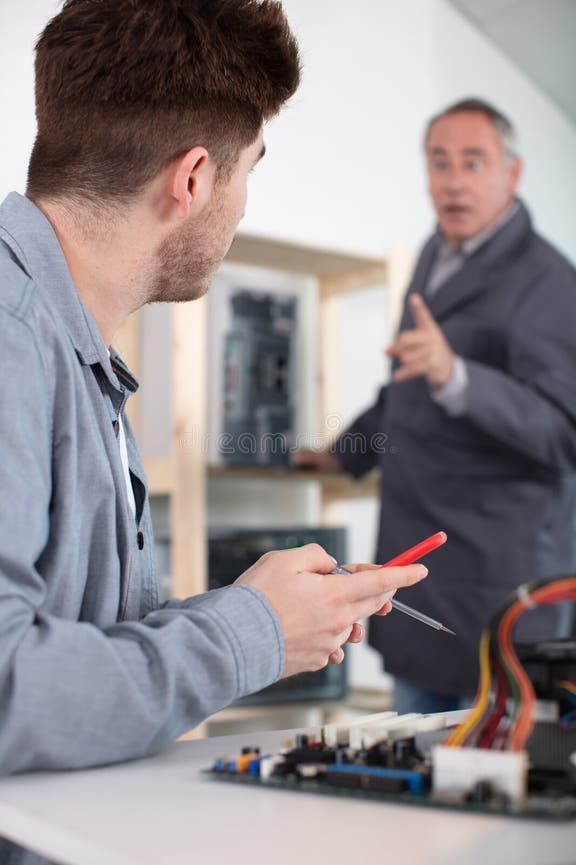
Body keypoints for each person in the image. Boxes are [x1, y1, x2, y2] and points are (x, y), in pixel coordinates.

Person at [0, 0, 430, 850]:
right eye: (248, 172)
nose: (238, 208)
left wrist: (261, 611)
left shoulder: (69, 347)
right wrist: (250, 632)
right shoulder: (11, 331)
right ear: (194, 178)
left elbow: (75, 645)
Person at [296, 98, 576, 714]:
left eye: (473, 163)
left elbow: (564, 433)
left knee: (491, 785)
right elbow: (410, 383)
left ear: (513, 173)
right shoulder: (436, 253)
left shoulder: (550, 280)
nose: (453, 181)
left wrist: (460, 377)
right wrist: (344, 457)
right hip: (423, 569)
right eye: (439, 163)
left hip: (499, 583)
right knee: (412, 779)